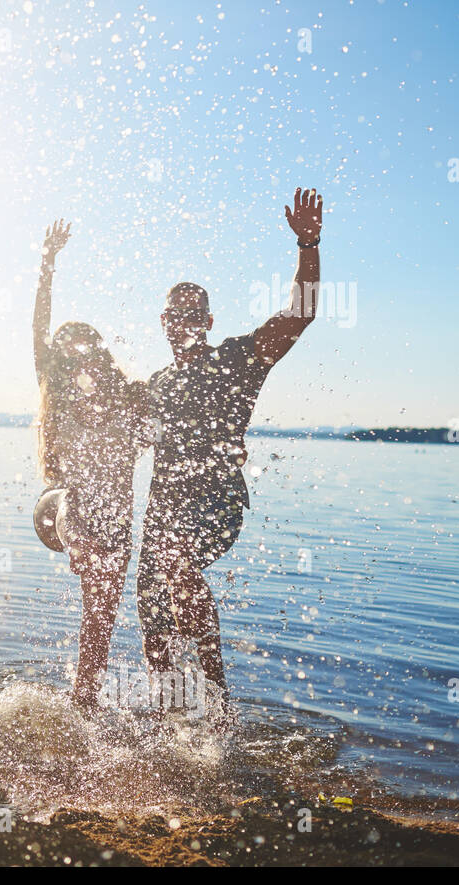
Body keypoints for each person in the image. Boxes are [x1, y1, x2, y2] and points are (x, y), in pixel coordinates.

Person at [136, 187, 324, 723]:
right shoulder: (157, 384)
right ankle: (170, 726)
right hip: (162, 514)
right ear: (165, 322)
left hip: (215, 507)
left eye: (195, 311)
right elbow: (127, 437)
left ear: (210, 321)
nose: (185, 319)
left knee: (176, 561)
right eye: (177, 312)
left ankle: (219, 711)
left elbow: (299, 315)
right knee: (154, 616)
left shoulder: (238, 361)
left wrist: (307, 245)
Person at [29, 219, 150, 709]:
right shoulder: (56, 389)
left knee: (97, 621)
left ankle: (84, 705)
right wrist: (47, 264)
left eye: (88, 349)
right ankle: (79, 539)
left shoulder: (131, 400)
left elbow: (174, 426)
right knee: (73, 510)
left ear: (102, 354)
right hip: (58, 507)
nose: (80, 360)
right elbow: (37, 328)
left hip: (115, 521)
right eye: (68, 352)